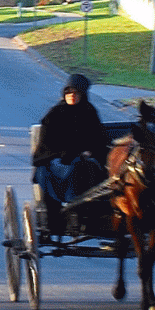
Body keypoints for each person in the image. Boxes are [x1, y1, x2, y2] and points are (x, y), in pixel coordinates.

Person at [32, 74, 109, 226]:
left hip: (84, 160)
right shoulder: (54, 114)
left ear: (83, 95)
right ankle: (58, 218)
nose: (72, 96)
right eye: (69, 93)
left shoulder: (89, 112)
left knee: (89, 169)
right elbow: (46, 143)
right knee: (64, 169)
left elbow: (100, 139)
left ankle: (89, 214)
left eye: (76, 93)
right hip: (57, 159)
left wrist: (91, 151)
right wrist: (63, 153)